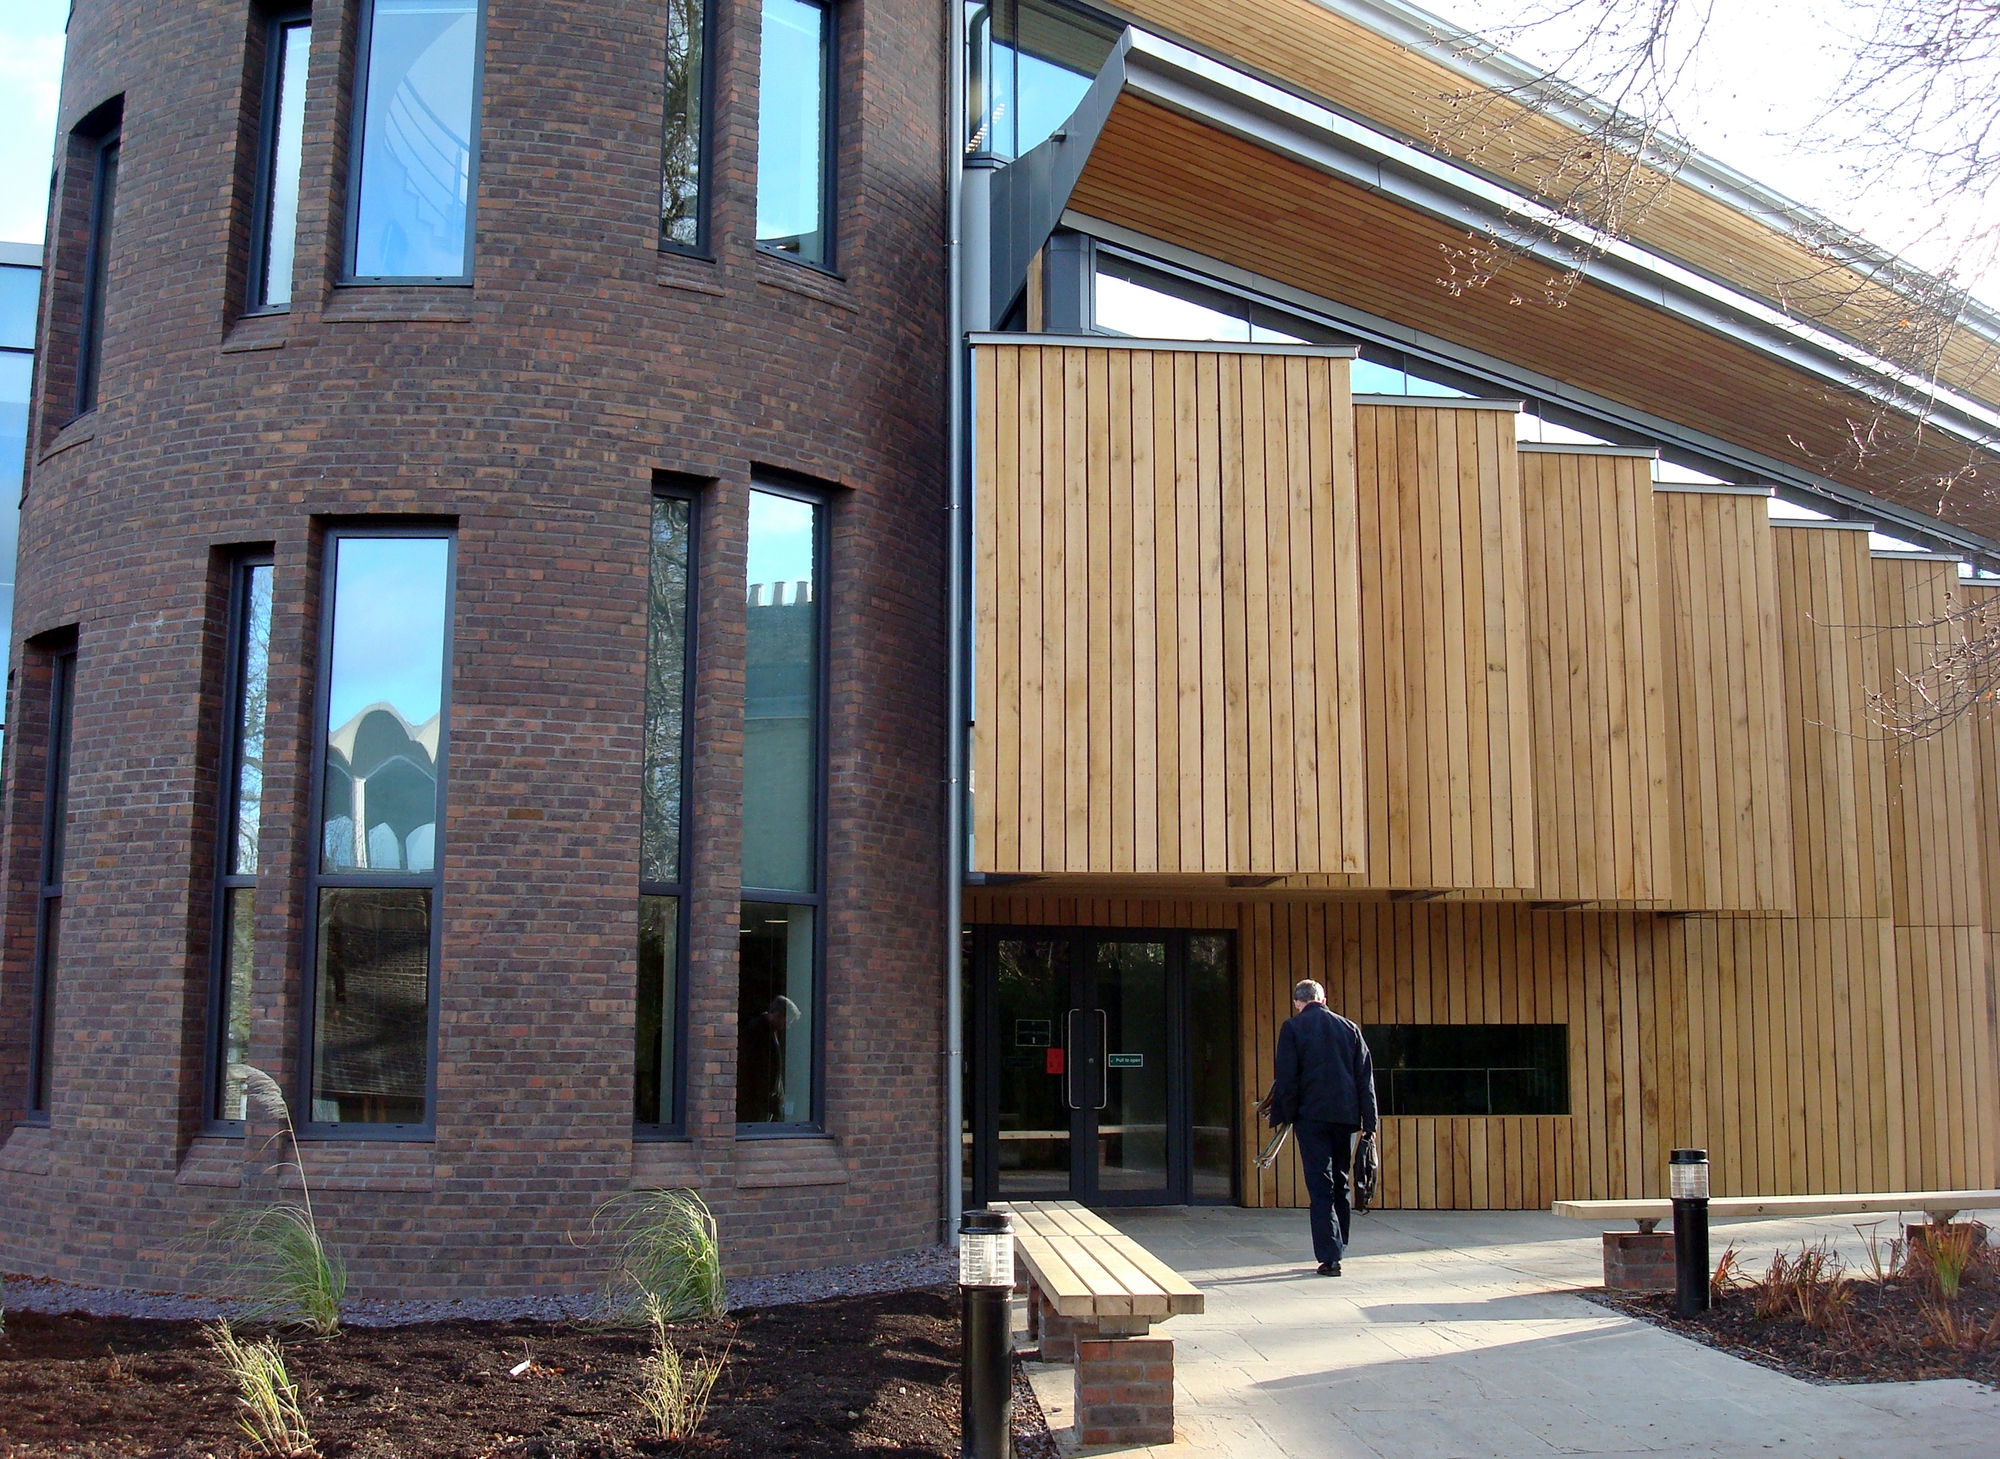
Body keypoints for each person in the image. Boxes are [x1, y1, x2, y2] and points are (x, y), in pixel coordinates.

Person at [1267, 979, 1378, 1276]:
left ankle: (1330, 1256)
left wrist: (1286, 1115)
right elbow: (1364, 1078)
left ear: (1297, 1002)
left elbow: (1287, 1077)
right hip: (1345, 1117)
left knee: (1320, 1186)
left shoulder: (1292, 1028)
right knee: (1341, 1180)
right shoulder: (1350, 1028)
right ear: (1323, 998)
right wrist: (1371, 1123)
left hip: (1311, 1117)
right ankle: (1339, 1243)